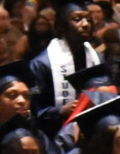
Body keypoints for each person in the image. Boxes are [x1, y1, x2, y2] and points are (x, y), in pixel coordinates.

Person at [29, 1, 102, 136]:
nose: (85, 24)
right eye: (77, 19)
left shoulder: (98, 59)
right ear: (62, 26)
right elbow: (33, 111)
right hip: (54, 136)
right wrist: (60, 111)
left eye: (88, 19)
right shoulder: (43, 64)